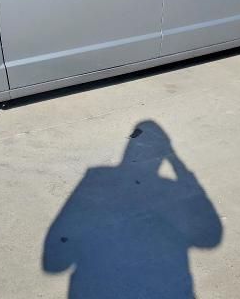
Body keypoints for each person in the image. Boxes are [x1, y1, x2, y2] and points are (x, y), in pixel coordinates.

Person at [43, 120, 222, 298]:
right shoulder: (171, 189)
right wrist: (178, 165)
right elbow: (210, 237)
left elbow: (54, 262)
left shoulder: (96, 178)